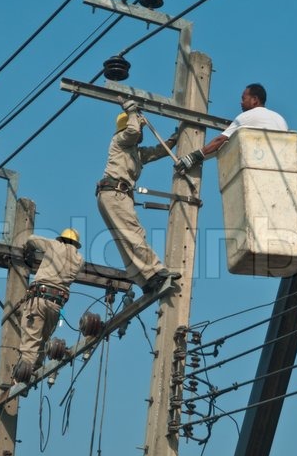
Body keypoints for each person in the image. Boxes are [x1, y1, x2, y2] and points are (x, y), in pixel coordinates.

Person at [96, 100, 181, 294]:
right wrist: (132, 112)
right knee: (134, 234)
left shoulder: (135, 152)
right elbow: (133, 131)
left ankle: (145, 281)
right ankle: (157, 271)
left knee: (125, 240)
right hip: (115, 193)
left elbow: (159, 151)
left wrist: (174, 139)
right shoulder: (119, 140)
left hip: (112, 195)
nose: (141, 132)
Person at [12, 228, 84, 384]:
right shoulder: (79, 259)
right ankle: (34, 372)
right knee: (44, 341)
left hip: (39, 299)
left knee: (30, 340)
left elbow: (31, 239)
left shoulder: (53, 245)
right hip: (56, 305)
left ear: (61, 239)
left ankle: (21, 379)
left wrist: (28, 249)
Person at [174, 83, 288, 173]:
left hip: (257, 166)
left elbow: (220, 141)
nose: (241, 102)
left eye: (244, 99)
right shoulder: (280, 119)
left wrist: (193, 157)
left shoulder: (247, 116)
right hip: (282, 168)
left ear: (254, 100)